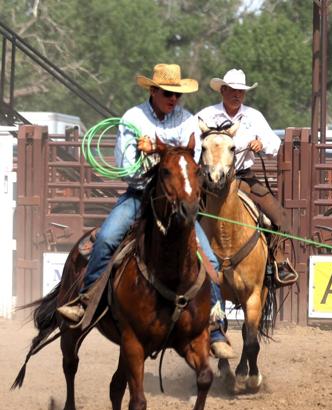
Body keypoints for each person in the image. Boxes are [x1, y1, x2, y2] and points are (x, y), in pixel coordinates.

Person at [56, 63, 235, 360]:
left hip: (175, 202)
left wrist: (157, 150)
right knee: (107, 238)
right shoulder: (133, 119)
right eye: (167, 93)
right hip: (139, 197)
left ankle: (215, 326)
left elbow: (189, 162)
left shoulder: (187, 121)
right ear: (153, 91)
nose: (173, 99)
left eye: (177, 94)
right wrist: (145, 154)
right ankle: (86, 301)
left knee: (210, 258)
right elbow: (127, 168)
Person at [196, 68, 298, 286]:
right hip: (208, 178)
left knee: (278, 216)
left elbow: (274, 143)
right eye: (233, 90)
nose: (237, 95)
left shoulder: (254, 116)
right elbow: (192, 143)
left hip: (243, 176)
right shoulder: (205, 115)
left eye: (241, 91)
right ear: (223, 90)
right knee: (184, 211)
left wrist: (261, 144)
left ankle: (277, 262)